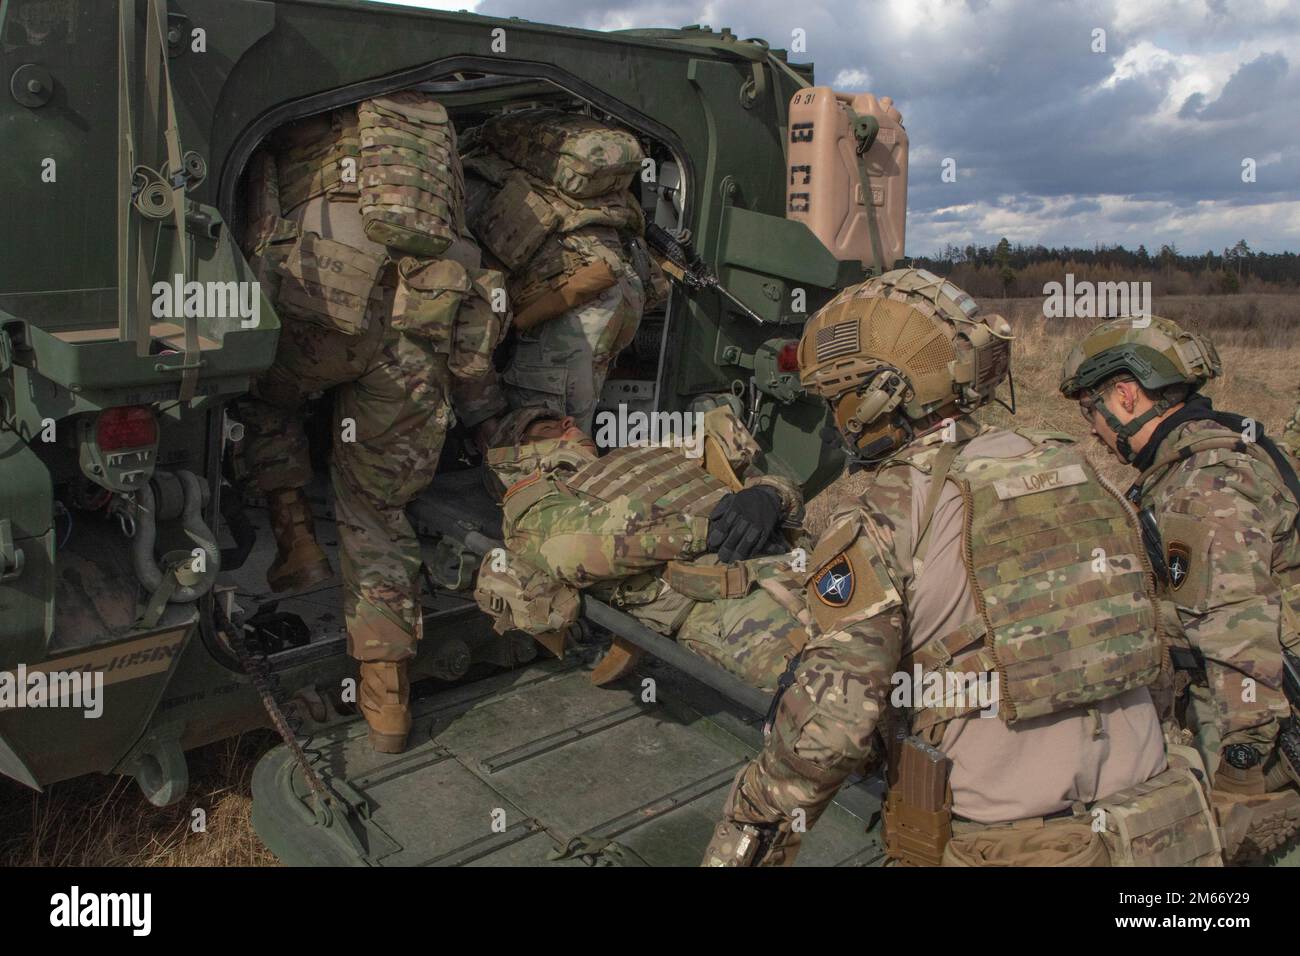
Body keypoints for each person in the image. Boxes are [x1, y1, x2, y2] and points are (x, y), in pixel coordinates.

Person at [704, 269, 1222, 867]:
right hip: (1167, 830)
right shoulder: (1075, 468)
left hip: (1022, 846)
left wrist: (740, 842)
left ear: (873, 397)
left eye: (835, 398)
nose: (833, 418)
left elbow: (826, 734)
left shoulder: (888, 514)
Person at [236, 92, 506, 753]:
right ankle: (387, 704)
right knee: (374, 508)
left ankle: (296, 539)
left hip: (324, 298)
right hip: (425, 314)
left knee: (260, 397)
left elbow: (257, 224)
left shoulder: (293, 116)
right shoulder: (427, 149)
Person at [1060, 315, 1300, 861]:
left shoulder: (1201, 485)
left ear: (1125, 396)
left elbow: (1239, 635)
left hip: (1263, 723)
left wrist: (1243, 769)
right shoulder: (1235, 444)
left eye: (1089, 410)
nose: (1092, 429)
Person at [473, 405, 809, 690]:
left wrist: (769, 495)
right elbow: (572, 550)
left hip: (799, 562)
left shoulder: (647, 452)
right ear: (517, 459)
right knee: (826, 691)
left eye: (566, 421)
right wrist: (704, 531)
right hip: (731, 600)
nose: (569, 423)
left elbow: (748, 480)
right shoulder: (532, 503)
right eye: (548, 429)